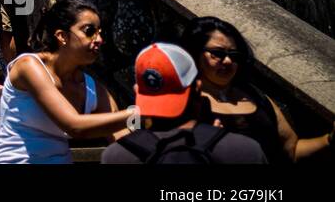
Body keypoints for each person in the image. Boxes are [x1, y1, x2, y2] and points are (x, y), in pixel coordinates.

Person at [0, 0, 133, 164]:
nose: (99, 39)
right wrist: (138, 113)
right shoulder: (28, 66)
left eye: (100, 32)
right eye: (89, 31)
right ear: (62, 36)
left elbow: (120, 133)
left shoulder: (93, 89)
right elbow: (74, 126)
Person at [180, 16, 333, 163]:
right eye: (217, 54)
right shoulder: (182, 101)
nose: (228, 61)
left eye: (234, 55)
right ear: (194, 53)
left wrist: (329, 139)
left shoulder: (257, 97)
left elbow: (291, 151)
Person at [102, 43, 267, 164]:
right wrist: (218, 140)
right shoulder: (246, 150)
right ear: (197, 88)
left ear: (137, 91)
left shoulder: (116, 156)